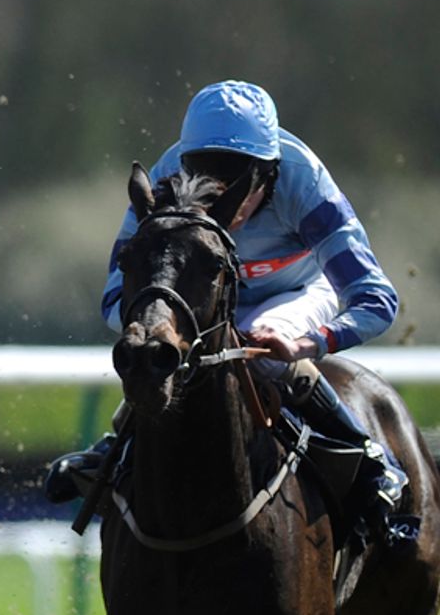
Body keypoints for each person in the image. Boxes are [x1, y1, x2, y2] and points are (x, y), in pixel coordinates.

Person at [45, 79, 414, 545]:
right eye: (206, 175)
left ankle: (368, 457)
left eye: (235, 182)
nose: (220, 197)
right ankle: (115, 448)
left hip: (296, 291)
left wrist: (307, 343)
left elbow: (375, 299)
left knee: (259, 344)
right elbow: (115, 298)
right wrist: (161, 331)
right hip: (207, 297)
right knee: (168, 353)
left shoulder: (306, 184)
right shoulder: (164, 182)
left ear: (269, 173)